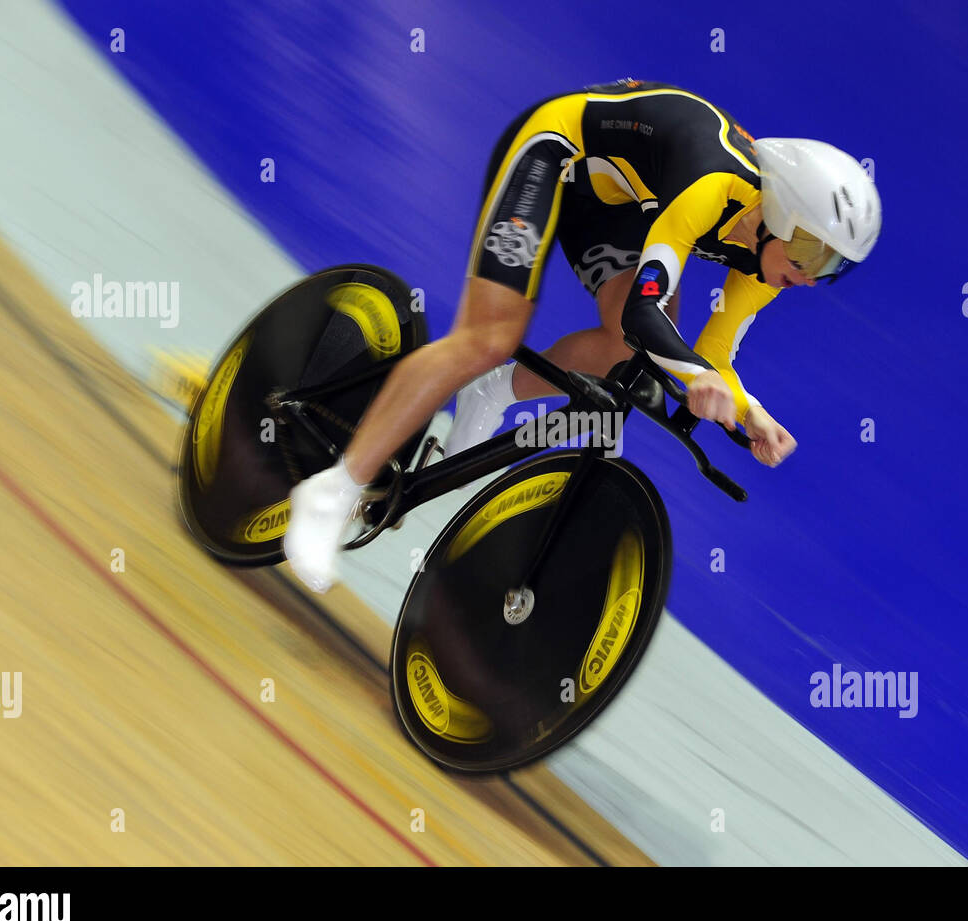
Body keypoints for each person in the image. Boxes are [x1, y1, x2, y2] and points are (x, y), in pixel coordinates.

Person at [284, 79, 881, 593]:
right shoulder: (712, 187)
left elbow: (713, 357)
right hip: (558, 155)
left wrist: (749, 412)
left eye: (833, 268)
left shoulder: (771, 266)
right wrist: (697, 378)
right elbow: (650, 320)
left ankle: (494, 392)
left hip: (625, 202)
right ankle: (332, 490)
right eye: (813, 252)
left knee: (630, 357)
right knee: (491, 334)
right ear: (779, 213)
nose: (812, 276)